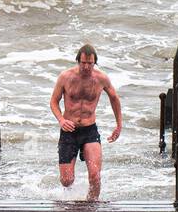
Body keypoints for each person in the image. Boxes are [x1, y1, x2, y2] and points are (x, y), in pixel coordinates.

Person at [50, 43, 123, 199]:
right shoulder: (65, 77)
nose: (86, 67)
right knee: (66, 180)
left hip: (89, 130)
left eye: (90, 63)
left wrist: (119, 125)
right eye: (83, 63)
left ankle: (92, 207)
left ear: (94, 63)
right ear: (78, 61)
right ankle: (71, 198)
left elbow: (115, 99)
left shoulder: (101, 78)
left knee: (95, 176)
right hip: (68, 131)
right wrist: (61, 120)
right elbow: (54, 101)